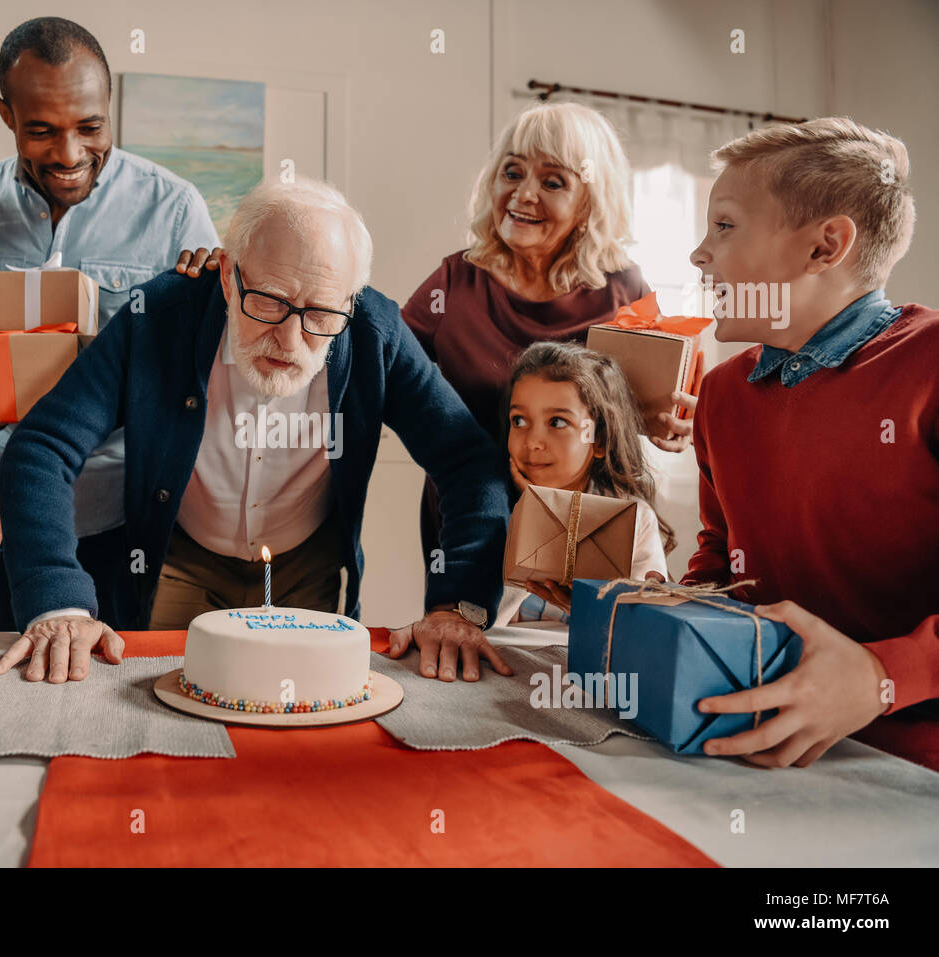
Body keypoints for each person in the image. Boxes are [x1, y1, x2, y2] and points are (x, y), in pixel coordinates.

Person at [0, 178, 512, 687]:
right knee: (167, 706)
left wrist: (460, 604)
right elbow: (42, 448)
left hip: (309, 564)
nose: (289, 339)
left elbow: (467, 460)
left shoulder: (378, 332)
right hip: (180, 558)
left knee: (305, 719)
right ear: (226, 275)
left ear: (351, 302)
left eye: (322, 314)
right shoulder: (159, 318)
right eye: (268, 300)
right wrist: (58, 601)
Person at [682, 117, 938, 767]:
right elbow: (721, 560)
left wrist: (884, 676)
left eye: (726, 225)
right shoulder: (722, 394)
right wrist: (662, 605)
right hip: (761, 748)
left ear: (826, 246)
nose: (699, 254)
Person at [0, 16, 221, 632]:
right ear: (5, 114)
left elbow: (209, 372)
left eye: (90, 128)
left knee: (125, 700)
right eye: (41, 131)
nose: (70, 155)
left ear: (109, 106)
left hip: (132, 515)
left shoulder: (175, 208)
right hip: (5, 511)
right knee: (8, 688)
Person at [402, 102, 694, 572]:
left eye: (553, 182)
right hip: (469, 520)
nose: (523, 195)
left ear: (589, 204)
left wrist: (678, 426)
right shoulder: (456, 280)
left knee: (582, 643)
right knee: (469, 635)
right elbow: (387, 372)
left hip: (587, 523)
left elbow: (653, 409)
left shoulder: (624, 290)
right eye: (512, 172)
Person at [500, 341, 670, 623]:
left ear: (598, 439)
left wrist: (585, 608)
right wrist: (533, 518)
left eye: (556, 422)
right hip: (508, 655)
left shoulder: (633, 518)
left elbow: (643, 624)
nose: (532, 442)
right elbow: (478, 622)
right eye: (519, 421)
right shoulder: (493, 509)